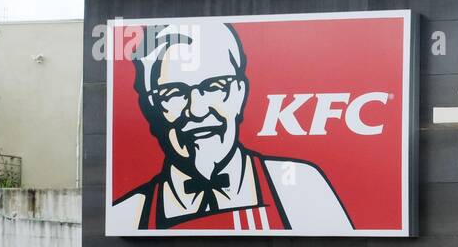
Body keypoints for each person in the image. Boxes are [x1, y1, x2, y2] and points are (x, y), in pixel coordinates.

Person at [111, 21, 351, 232]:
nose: (197, 110)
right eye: (174, 93)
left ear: (239, 94)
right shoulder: (129, 213)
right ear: (152, 108)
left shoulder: (300, 188)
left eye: (214, 87)